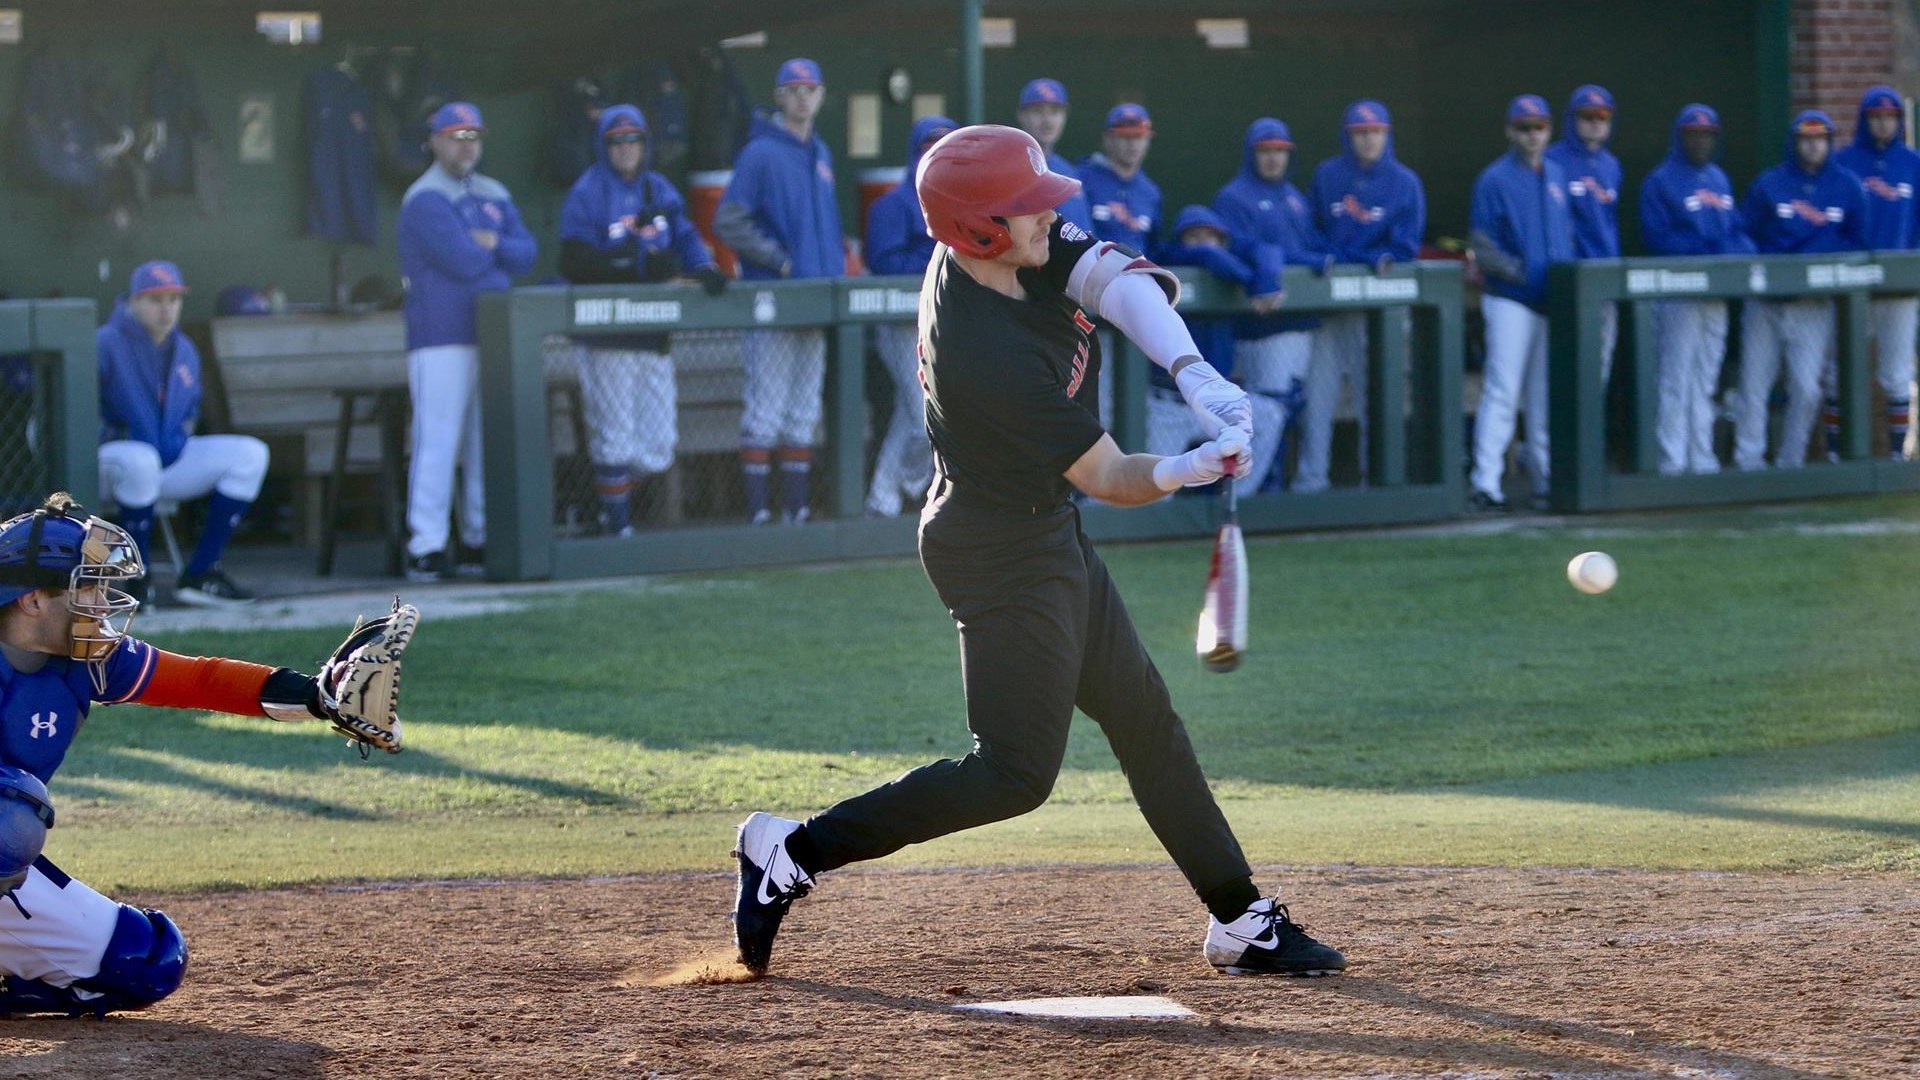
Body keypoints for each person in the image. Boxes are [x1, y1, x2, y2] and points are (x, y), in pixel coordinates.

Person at [730, 124, 1346, 980]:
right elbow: (1114, 476)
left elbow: (1117, 282)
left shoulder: (1008, 242)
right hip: (996, 547)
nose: (1049, 218)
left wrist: (1193, 371)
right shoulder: (987, 359)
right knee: (1014, 774)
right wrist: (1189, 466)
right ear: (981, 231)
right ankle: (788, 849)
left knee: (1146, 721)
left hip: (1040, 527)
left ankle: (1241, 918)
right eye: (1028, 209)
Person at [0, 493, 386, 1016]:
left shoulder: (85, 660)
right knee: (9, 814)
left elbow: (200, 680)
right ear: (31, 599)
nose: (101, 601)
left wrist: (319, 695)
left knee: (144, 958)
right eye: (86, 586)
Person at [557, 103, 727, 536]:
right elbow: (574, 260)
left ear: (645, 144)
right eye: (617, 141)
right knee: (614, 437)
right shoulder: (588, 191)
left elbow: (685, 235)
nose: (626, 148)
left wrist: (703, 265)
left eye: (633, 139)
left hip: (653, 336)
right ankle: (618, 530)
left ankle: (596, 504)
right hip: (607, 336)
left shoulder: (658, 189)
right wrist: (633, 264)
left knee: (657, 447)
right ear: (605, 146)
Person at [396, 101, 537, 580]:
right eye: (455, 135)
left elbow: (526, 254)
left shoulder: (493, 191)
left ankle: (477, 538)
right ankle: (426, 545)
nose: (465, 144)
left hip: (491, 335)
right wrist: (492, 248)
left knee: (483, 440)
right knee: (438, 439)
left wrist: (491, 242)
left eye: (473, 135)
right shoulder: (425, 197)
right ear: (434, 142)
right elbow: (462, 260)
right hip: (441, 335)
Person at [714, 58, 844, 525]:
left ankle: (795, 512)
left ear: (822, 95)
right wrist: (779, 261)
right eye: (793, 89)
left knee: (804, 409)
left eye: (810, 88)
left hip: (815, 295)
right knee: (765, 409)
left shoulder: (820, 151)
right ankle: (759, 515)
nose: (802, 97)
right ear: (779, 96)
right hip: (772, 298)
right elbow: (728, 220)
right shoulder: (760, 152)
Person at [96, 260, 268, 606]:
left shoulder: (184, 348)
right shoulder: (105, 341)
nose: (166, 308)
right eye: (155, 299)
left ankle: (201, 574)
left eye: (173, 299)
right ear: (133, 302)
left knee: (250, 453)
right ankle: (135, 580)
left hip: (163, 459)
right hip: (106, 461)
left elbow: (189, 413)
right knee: (141, 460)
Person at [1733, 110, 1867, 471]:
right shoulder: (1770, 183)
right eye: (1806, 139)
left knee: (1807, 389)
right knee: (1753, 385)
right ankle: (1750, 462)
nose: (1813, 146)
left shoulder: (1847, 186)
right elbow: (1744, 234)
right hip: (1765, 302)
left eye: (1820, 139)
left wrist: (1816, 254)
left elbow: (1859, 242)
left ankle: (1791, 462)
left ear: (1828, 142)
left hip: (1813, 303)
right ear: (1795, 143)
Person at [1304, 100, 1426, 494]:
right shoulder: (1327, 175)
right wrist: (1344, 259)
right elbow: (1312, 232)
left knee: (1374, 398)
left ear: (1386, 134)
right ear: (1348, 135)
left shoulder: (1404, 181)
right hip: (1328, 308)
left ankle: (1377, 480)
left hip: (1375, 313)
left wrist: (1376, 258)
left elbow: (1405, 246)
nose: (1368, 138)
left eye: (1375, 131)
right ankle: (1311, 480)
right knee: (1316, 399)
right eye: (1360, 132)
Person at [1466, 95, 1575, 512]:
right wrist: (1522, 272)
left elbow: (1567, 235)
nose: (1532, 134)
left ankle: (1545, 481)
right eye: (1524, 127)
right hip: (1511, 299)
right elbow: (1482, 245)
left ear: (1549, 131)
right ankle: (1486, 483)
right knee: (1503, 390)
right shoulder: (1494, 178)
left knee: (1545, 396)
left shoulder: (1558, 174)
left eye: (1539, 126)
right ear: (1510, 131)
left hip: (1553, 301)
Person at [1211, 116, 1332, 489]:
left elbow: (1311, 246)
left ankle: (1288, 482)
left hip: (1304, 324)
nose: (1273, 159)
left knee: (1296, 408)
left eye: (1280, 152)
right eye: (1265, 151)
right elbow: (1247, 250)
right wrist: (1310, 262)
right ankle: (1261, 487)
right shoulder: (1233, 196)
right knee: (1265, 411)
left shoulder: (1295, 197)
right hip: (1262, 327)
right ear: (1252, 153)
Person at [1638, 104, 1755, 476]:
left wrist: (1736, 252)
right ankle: (1671, 461)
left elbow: (1735, 230)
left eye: (1707, 134)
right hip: (1678, 293)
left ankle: (1701, 459)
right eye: (1694, 133)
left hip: (1715, 296)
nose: (1701, 140)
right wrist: (1709, 250)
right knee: (1675, 380)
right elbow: (1658, 238)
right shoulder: (1660, 180)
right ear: (1680, 136)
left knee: (1705, 381)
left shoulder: (1719, 179)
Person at [1153, 205, 1288, 493]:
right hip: (1168, 406)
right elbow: (1206, 255)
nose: (1202, 241)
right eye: (1194, 235)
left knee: (1270, 415)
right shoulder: (1170, 264)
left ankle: (1236, 503)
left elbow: (1268, 250)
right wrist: (1253, 281)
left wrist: (1265, 277)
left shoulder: (1229, 268)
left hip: (1217, 408)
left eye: (1210, 235)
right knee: (1152, 498)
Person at [861, 113, 956, 518]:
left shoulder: (964, 205)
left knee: (913, 412)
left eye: (945, 146)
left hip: (946, 319)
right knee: (922, 417)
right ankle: (906, 488)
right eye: (928, 146)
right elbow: (884, 263)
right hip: (902, 324)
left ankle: (883, 499)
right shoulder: (894, 204)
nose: (936, 153)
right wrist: (938, 256)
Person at [1831, 85, 1920, 460]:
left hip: (1899, 286)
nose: (1883, 124)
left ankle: (1899, 456)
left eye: (1889, 117)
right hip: (1853, 285)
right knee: (1837, 372)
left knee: (1897, 374)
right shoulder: (1844, 162)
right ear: (1864, 120)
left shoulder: (1913, 163)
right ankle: (1836, 455)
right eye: (1876, 117)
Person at [1079, 103, 1163, 427]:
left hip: (1136, 311)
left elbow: (1154, 246)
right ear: (1107, 139)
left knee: (1129, 408)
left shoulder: (1150, 192)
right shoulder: (1083, 178)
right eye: (1124, 136)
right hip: (1093, 310)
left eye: (1139, 137)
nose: (1132, 144)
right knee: (1096, 403)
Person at [1544, 85, 1623, 384]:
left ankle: (1590, 431)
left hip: (1605, 275)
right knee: (1565, 365)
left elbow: (1609, 223)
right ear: (1572, 119)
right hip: (1569, 277)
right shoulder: (1552, 160)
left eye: (1602, 116)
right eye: (1587, 115)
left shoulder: (1612, 165)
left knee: (1599, 364)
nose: (1594, 122)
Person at [1014, 78, 1092, 231]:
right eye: (1038, 111)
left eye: (1055, 112)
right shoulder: (1009, 168)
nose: (1047, 120)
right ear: (1021, 115)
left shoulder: (1070, 173)